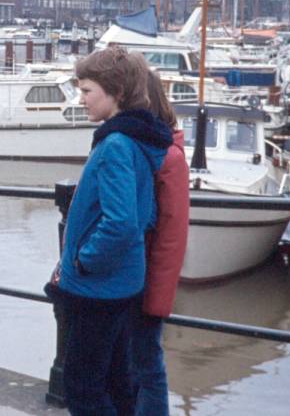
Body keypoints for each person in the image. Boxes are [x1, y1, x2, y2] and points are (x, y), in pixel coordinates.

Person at [45, 47, 171, 416]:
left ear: (115, 92)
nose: (80, 99)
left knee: (82, 387)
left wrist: (84, 262)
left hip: (98, 287)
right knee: (118, 383)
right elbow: (145, 215)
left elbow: (121, 222)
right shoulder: (138, 140)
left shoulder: (116, 144)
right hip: (121, 284)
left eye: (87, 91)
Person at [131, 71, 190, 415]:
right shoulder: (157, 152)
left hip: (146, 281)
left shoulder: (169, 158)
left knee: (148, 363)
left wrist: (157, 298)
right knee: (140, 360)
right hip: (138, 278)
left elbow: (172, 233)